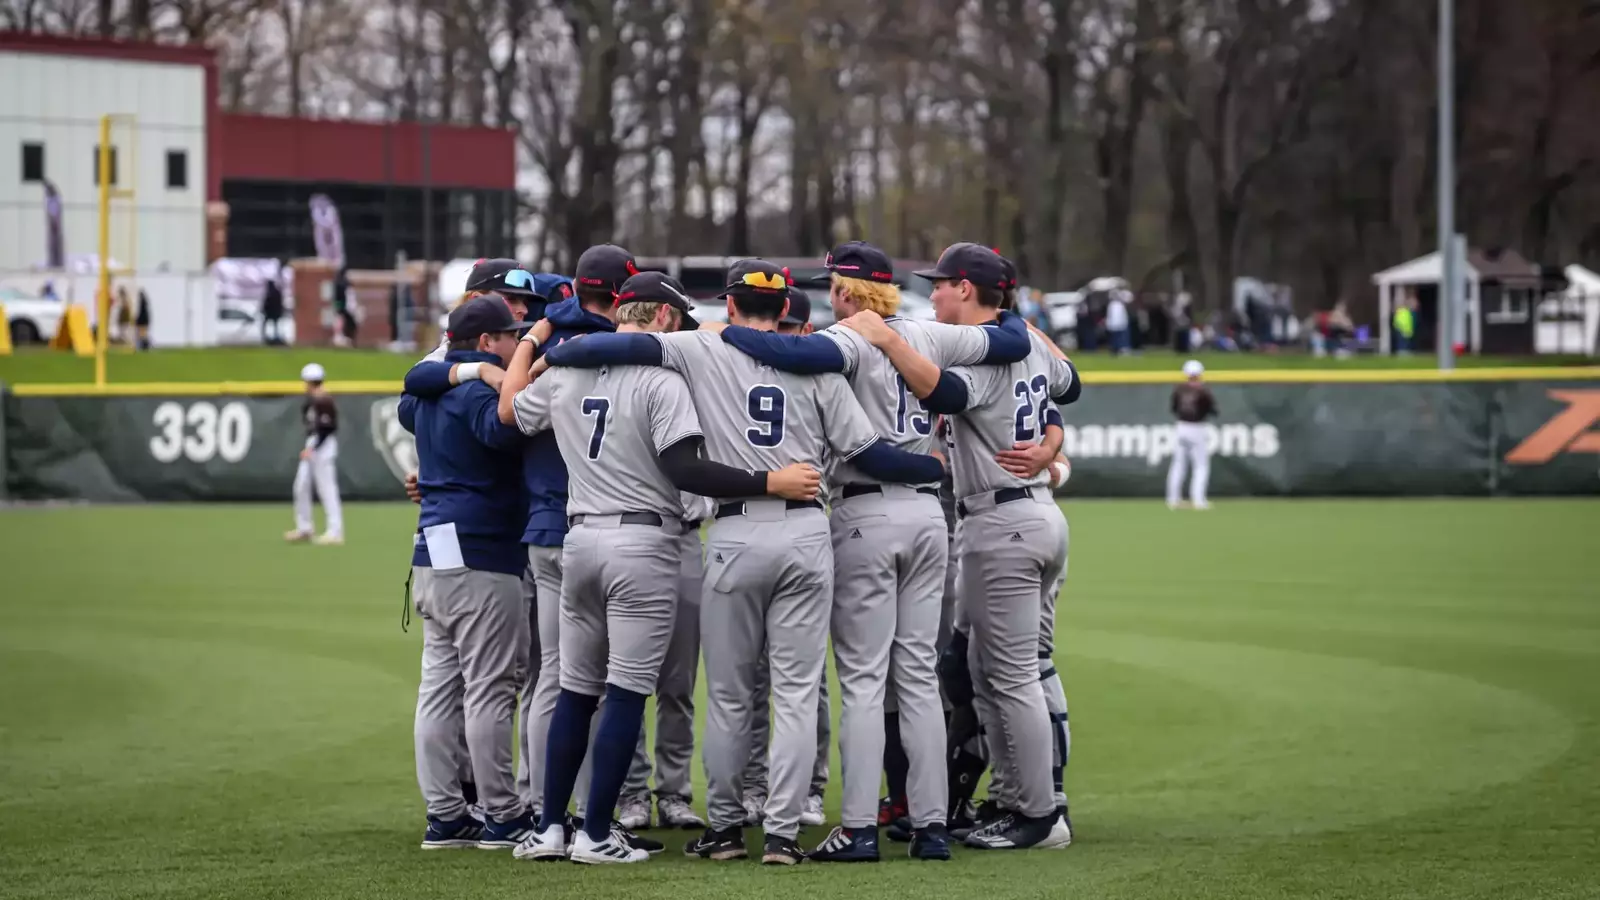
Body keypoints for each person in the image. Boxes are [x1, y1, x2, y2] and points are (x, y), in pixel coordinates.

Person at [536, 258, 947, 866]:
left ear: (729, 306)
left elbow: (608, 345)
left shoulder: (699, 350)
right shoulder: (820, 364)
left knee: (729, 695)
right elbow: (866, 450)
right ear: (785, 310)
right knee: (797, 692)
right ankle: (782, 832)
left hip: (730, 529)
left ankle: (726, 828)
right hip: (806, 528)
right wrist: (933, 468)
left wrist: (549, 349)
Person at [713, 241, 1036, 861]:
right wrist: (1017, 311)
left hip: (864, 510)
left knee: (863, 679)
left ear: (844, 292)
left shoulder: (848, 337)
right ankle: (931, 825)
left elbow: (790, 348)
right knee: (916, 674)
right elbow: (1012, 342)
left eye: (832, 284)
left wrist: (729, 331)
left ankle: (860, 827)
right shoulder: (925, 332)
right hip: (927, 513)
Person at [502, 272, 822, 864]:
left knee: (575, 690)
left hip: (579, 538)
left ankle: (551, 827)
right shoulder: (664, 376)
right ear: (668, 318)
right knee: (625, 692)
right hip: (643, 540)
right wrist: (766, 480)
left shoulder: (568, 369)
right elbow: (686, 470)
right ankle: (597, 833)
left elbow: (510, 412)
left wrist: (533, 345)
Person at [872, 242, 1076, 850]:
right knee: (992, 671)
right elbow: (1071, 385)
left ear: (966, 288)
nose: (931, 293)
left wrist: (889, 342)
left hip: (1003, 520)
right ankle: (1019, 797)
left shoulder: (991, 350)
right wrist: (1052, 438)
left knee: (1011, 676)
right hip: (1027, 514)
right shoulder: (1026, 340)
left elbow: (944, 396)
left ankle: (1039, 813)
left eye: (940, 284)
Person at [399, 296, 534, 851]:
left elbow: (416, 385)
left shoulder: (431, 392)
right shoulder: (479, 390)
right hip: (481, 552)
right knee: (489, 690)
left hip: (433, 552)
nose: (512, 345)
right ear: (484, 343)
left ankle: (445, 814)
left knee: (439, 689)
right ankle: (501, 813)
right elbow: (507, 428)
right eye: (506, 337)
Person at [729, 288, 834, 832]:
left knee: (801, 680)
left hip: (802, 530)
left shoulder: (816, 373)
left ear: (805, 332)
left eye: (791, 329)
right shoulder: (728, 368)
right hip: (759, 527)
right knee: (747, 679)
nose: (779, 338)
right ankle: (752, 787)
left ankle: (806, 788)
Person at [284, 363, 343, 545]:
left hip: (322, 445)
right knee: (301, 485)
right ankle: (305, 528)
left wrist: (313, 447)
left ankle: (335, 531)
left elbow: (328, 428)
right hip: (314, 443)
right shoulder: (313, 399)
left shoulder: (324, 399)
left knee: (327, 489)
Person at [1166, 359, 1217, 510]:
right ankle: (1199, 500)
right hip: (1197, 427)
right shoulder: (1203, 391)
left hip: (1181, 426)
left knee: (1178, 464)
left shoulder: (1179, 389)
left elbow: (1174, 408)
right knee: (1201, 466)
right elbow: (1212, 409)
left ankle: (1172, 499)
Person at [262, 265, 287, 345]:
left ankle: (273, 338)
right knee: (273, 325)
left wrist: (265, 309)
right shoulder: (275, 292)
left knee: (271, 325)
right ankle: (272, 337)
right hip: (274, 313)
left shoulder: (272, 293)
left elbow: (268, 303)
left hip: (272, 313)